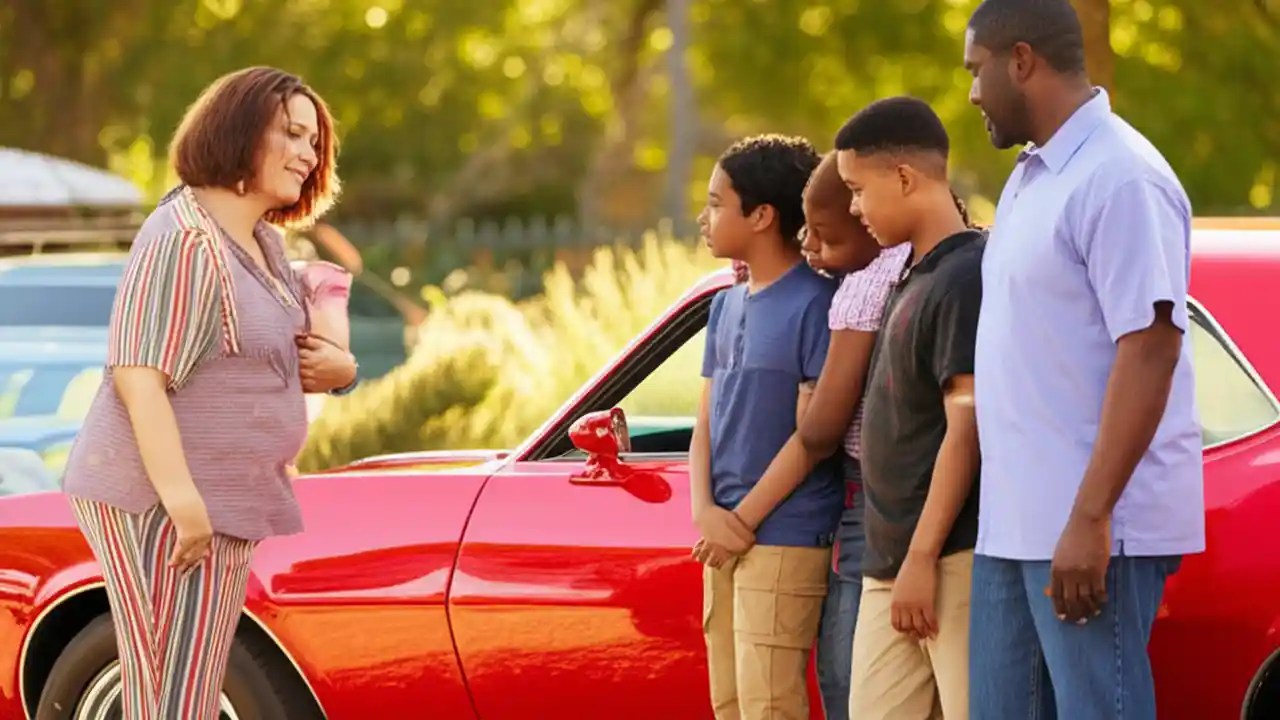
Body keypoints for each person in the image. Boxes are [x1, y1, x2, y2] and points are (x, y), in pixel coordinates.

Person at [55, 66, 355, 720]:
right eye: (293, 133)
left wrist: (342, 366)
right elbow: (139, 377)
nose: (309, 153)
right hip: (160, 498)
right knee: (167, 692)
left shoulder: (264, 245)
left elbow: (315, 309)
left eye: (315, 141)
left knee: (186, 692)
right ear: (240, 130)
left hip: (223, 500)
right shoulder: (182, 239)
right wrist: (184, 502)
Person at [962, 1, 1203, 717]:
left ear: (1023, 60)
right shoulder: (1033, 177)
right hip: (1013, 523)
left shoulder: (1122, 177)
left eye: (977, 70)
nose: (972, 92)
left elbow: (1152, 348)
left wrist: (1091, 516)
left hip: (1093, 528)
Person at [734, 150, 909, 719]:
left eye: (825, 238)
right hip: (872, 503)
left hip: (869, 503)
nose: (811, 247)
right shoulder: (869, 278)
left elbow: (817, 434)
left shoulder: (861, 291)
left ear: (871, 222)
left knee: (847, 678)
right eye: (805, 233)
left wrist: (809, 408)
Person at [834, 97, 983, 720]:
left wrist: (923, 559)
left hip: (949, 561)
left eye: (857, 188)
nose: (852, 208)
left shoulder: (965, 276)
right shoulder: (908, 275)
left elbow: (966, 429)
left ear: (902, 177)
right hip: (889, 562)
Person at [689, 134, 839, 720]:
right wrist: (705, 510)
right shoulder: (723, 306)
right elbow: (706, 418)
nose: (705, 218)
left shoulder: (818, 305)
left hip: (784, 535)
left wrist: (743, 520)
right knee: (729, 703)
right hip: (721, 536)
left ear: (761, 215)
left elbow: (814, 440)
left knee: (770, 707)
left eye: (716, 203)